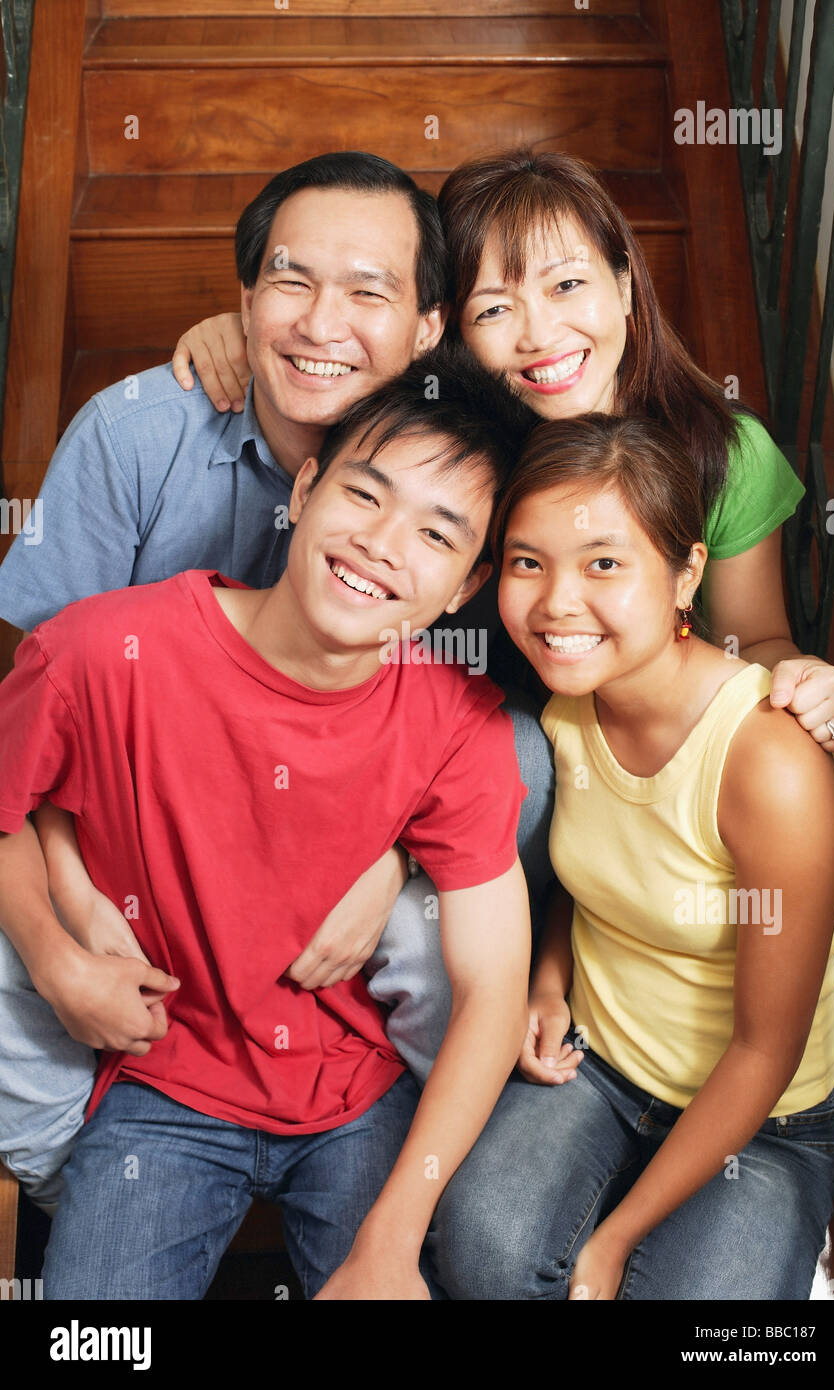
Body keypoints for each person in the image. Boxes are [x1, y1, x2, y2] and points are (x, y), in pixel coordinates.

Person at [0, 356, 532, 1300]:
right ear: (305, 485)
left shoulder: (461, 725)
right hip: (162, 1089)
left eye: (435, 535)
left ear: (465, 586)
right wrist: (53, 955)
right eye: (364, 495)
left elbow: (493, 990)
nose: (380, 545)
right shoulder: (100, 651)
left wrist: (394, 1237)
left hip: (359, 1096)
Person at [175, 147, 834, 752]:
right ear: (449, 335)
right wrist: (242, 335)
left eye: (567, 285)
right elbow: (338, 365)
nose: (540, 335)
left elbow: (757, 639)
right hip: (487, 731)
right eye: (493, 309)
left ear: (623, 285)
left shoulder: (721, 448)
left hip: (656, 743)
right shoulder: (458, 450)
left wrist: (805, 681)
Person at [426, 413, 834, 1301]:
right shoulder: (564, 706)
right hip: (601, 1068)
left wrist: (611, 1243)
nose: (556, 603)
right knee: (478, 1251)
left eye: (603, 563)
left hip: (762, 1117)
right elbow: (588, 881)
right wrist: (546, 983)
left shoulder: (772, 760)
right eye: (528, 562)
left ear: (688, 571)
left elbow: (763, 1053)